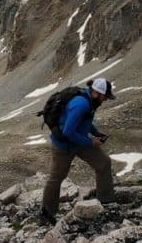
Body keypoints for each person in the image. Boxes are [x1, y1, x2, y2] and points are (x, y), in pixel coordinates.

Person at [40, 77, 117, 224]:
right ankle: (46, 215)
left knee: (103, 163)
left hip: (79, 141)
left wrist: (95, 132)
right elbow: (68, 131)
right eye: (105, 96)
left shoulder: (90, 101)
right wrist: (90, 142)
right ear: (96, 93)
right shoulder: (81, 104)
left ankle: (106, 201)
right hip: (64, 146)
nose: (105, 99)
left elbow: (85, 121)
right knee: (56, 178)